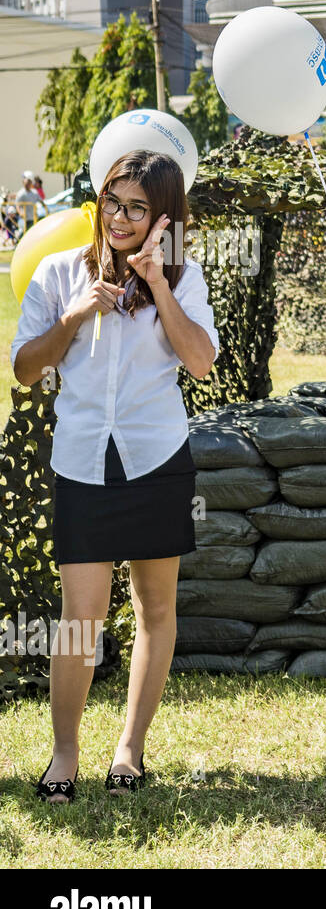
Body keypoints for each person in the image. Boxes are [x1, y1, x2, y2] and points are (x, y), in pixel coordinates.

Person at [11, 150, 218, 803]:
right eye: (113, 202)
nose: (121, 217)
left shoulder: (184, 277)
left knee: (156, 609)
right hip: (81, 462)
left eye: (137, 206)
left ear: (162, 217)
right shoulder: (56, 272)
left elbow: (201, 361)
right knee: (81, 617)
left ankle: (130, 749)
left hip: (155, 458)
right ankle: (63, 755)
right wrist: (75, 316)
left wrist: (157, 284)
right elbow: (24, 368)